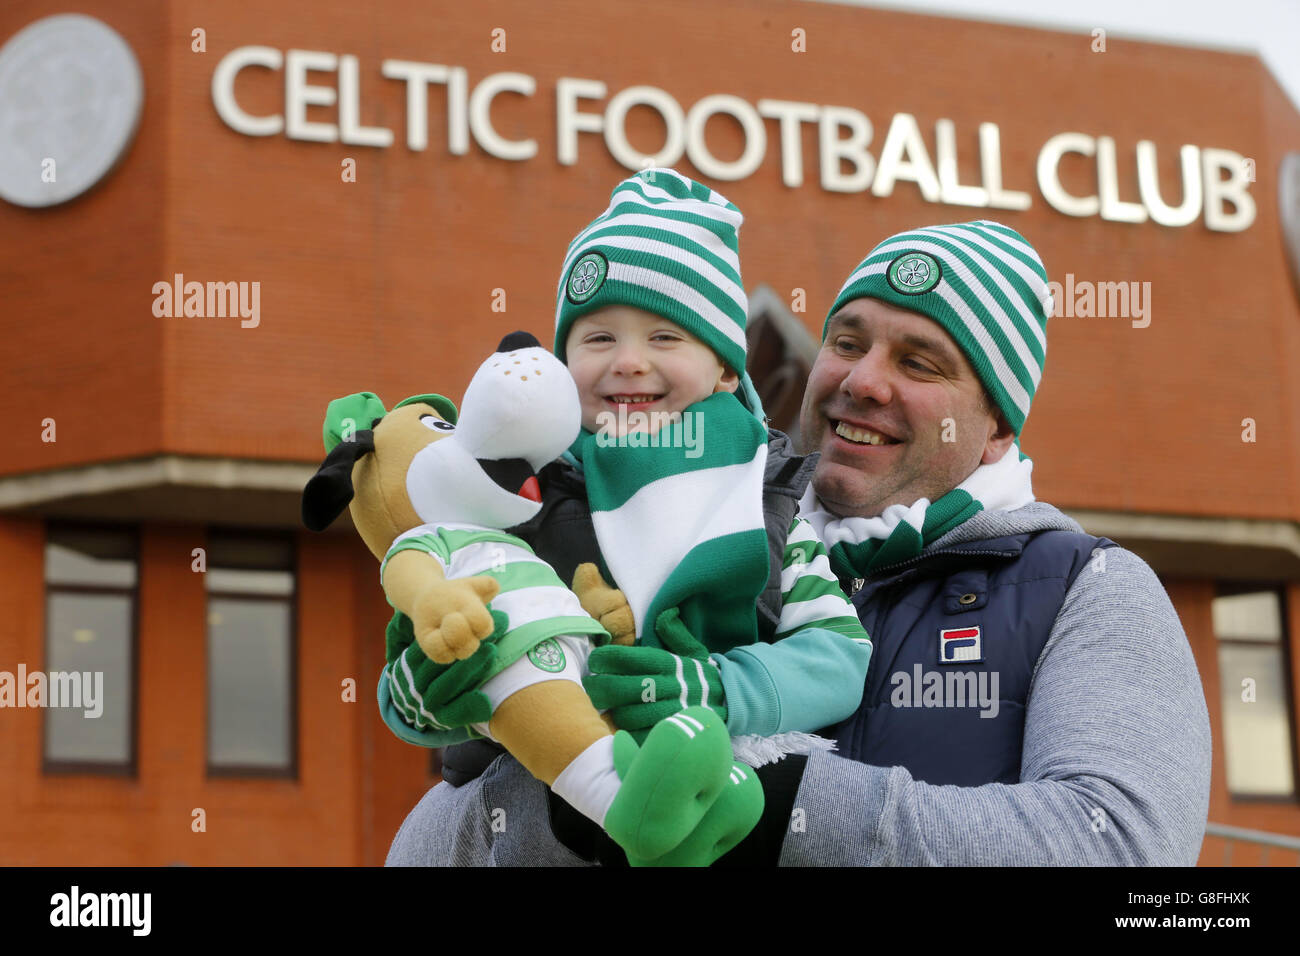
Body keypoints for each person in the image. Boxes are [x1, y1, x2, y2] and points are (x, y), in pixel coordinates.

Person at [386, 219, 1211, 867]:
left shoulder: (1085, 588)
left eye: (919, 362)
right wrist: (576, 795)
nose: (860, 380)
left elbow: (1125, 855)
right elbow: (421, 851)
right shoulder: (678, 540)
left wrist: (781, 805)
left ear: (994, 425)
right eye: (848, 343)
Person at [381, 169, 872, 865]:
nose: (629, 363)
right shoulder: (517, 487)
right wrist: (424, 695)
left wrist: (711, 686)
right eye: (598, 339)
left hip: (719, 803)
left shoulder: (765, 494)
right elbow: (436, 629)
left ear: (727, 370)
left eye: (667, 337)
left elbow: (837, 657)